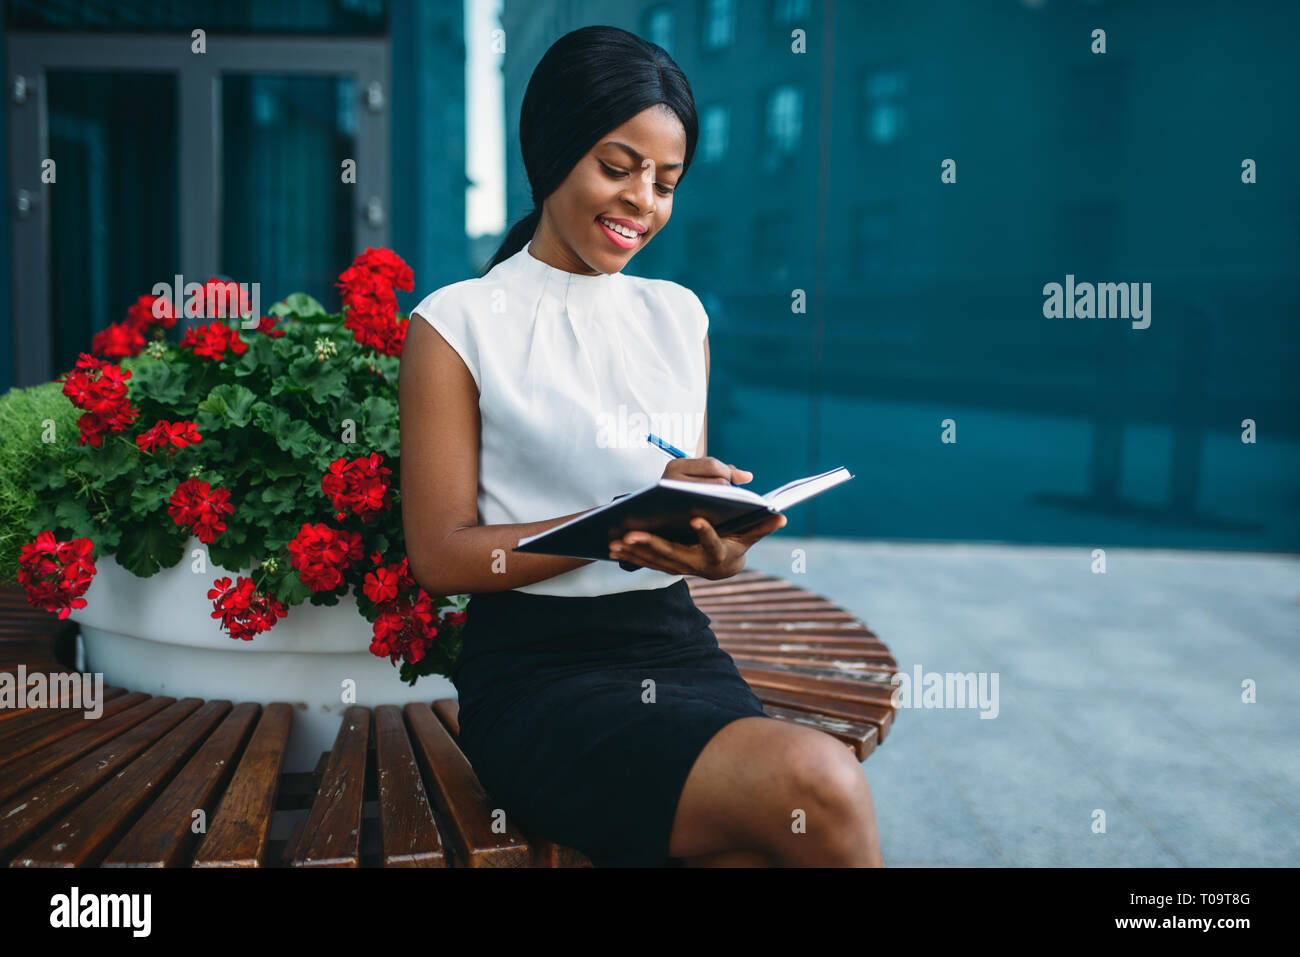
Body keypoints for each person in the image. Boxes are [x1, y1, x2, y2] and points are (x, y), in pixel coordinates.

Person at [399, 25, 883, 867]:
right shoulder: (456, 323)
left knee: (757, 851)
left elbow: (668, 510)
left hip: (672, 643)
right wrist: (609, 529)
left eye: (666, 182)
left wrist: (712, 545)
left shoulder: (678, 315)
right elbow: (439, 557)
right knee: (821, 781)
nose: (642, 202)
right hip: (537, 674)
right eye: (618, 168)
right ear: (554, 150)